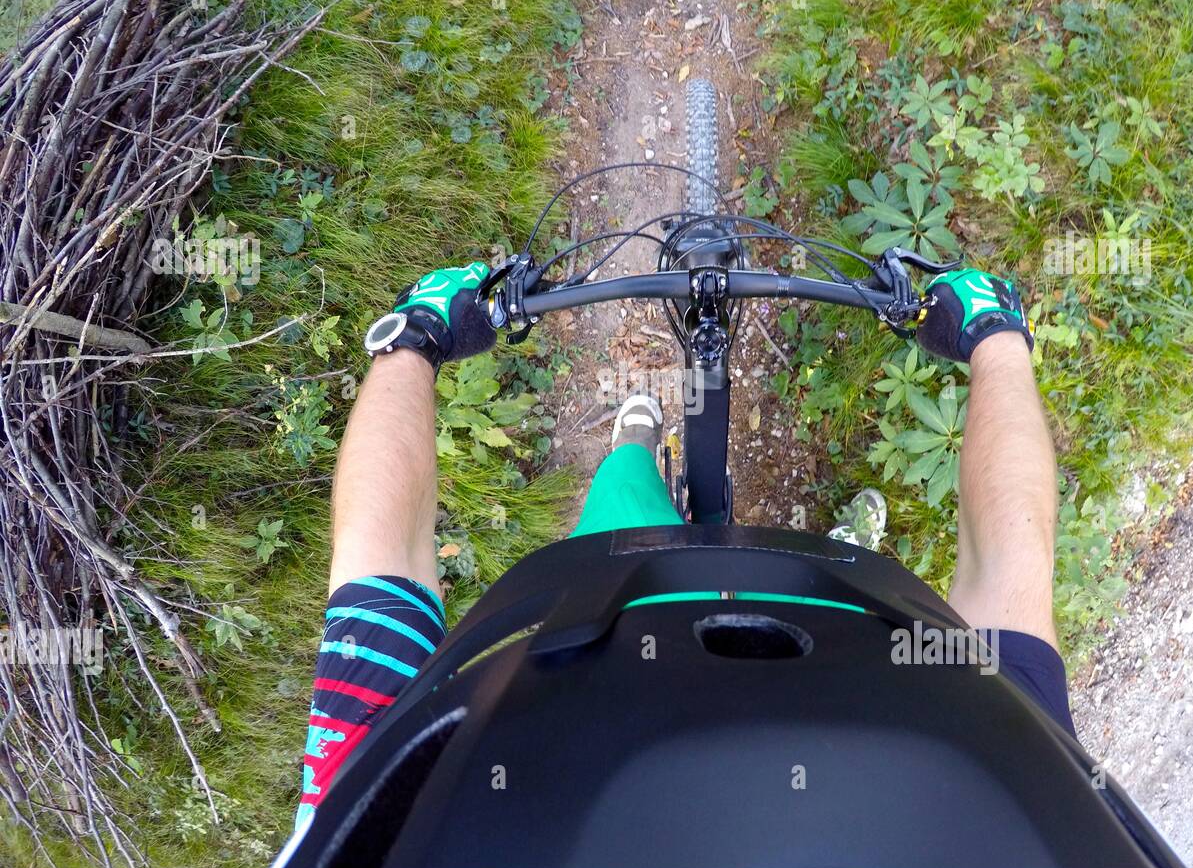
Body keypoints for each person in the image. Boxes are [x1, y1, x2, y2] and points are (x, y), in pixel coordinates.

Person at [294, 261, 1065, 833]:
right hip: (810, 658)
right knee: (980, 610)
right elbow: (378, 561)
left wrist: (417, 337)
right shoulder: (351, 830)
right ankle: (984, 344)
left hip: (614, 607)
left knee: (626, 484)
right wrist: (418, 336)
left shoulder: (355, 835)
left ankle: (636, 435)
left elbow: (380, 561)